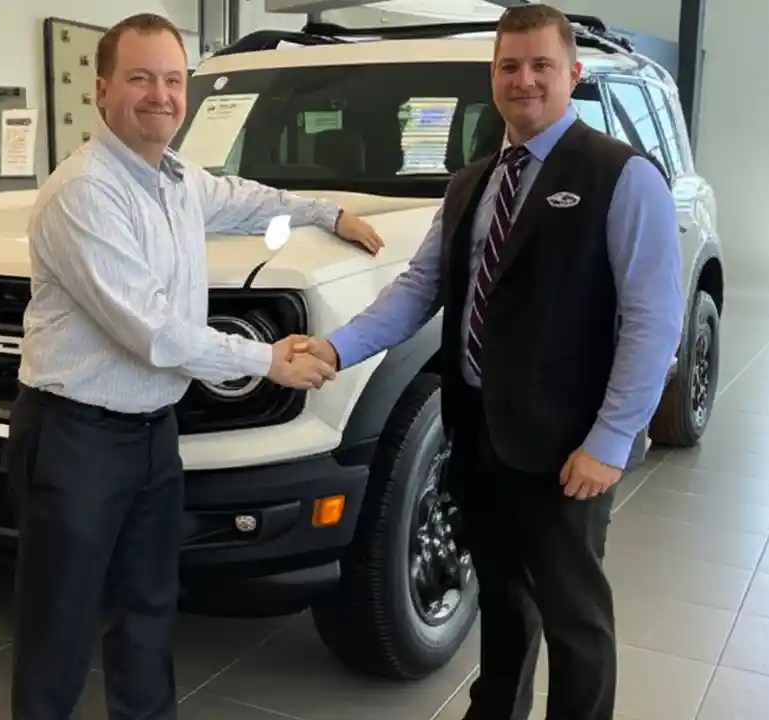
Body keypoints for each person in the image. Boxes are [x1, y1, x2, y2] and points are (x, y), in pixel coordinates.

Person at [296, 5, 684, 719]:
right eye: (510, 66)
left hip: (567, 444)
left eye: (541, 65)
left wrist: (609, 440)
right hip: (476, 432)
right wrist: (333, 347)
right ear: (493, 77)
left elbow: (655, 322)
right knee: (502, 596)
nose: (524, 80)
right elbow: (417, 290)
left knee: (575, 617)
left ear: (573, 74)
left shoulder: (622, 177)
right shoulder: (471, 182)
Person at [5, 12, 384, 720]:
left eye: (174, 80)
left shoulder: (175, 178)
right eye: (141, 78)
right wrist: (266, 360)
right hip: (75, 438)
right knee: (59, 624)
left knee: (148, 608)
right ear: (102, 90)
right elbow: (151, 330)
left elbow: (245, 200)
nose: (161, 96)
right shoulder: (86, 192)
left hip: (152, 432)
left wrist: (325, 212)